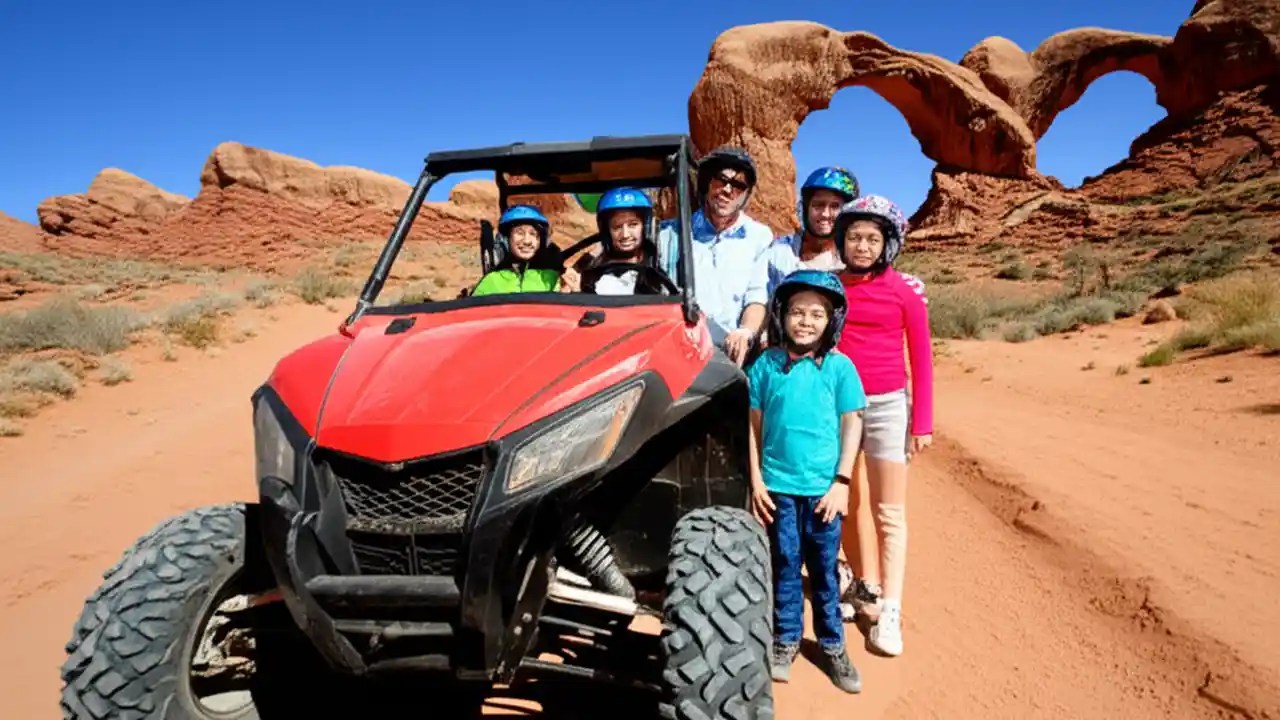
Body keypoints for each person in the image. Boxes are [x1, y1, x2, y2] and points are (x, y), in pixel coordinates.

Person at [747, 268, 866, 694]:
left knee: (824, 571)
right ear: (782, 315)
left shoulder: (839, 367)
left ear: (832, 320)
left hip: (823, 494)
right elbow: (752, 426)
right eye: (797, 312)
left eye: (817, 314)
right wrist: (756, 480)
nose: (806, 321)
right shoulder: (766, 365)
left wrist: (842, 481)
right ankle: (786, 639)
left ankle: (833, 644)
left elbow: (852, 423)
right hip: (778, 489)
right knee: (783, 564)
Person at [830, 194, 934, 658]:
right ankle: (861, 584)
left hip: (889, 406)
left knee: (888, 512)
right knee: (844, 500)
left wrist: (922, 422)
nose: (863, 246)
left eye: (873, 238)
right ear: (842, 240)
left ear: (888, 243)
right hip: (840, 407)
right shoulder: (831, 287)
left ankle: (890, 608)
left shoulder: (905, 291)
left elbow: (922, 358)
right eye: (855, 236)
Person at [656, 145, 772, 364]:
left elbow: (756, 295)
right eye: (721, 180)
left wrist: (746, 332)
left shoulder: (758, 236)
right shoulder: (671, 234)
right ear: (707, 183)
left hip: (730, 354)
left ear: (746, 194)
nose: (727, 190)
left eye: (738, 185)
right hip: (680, 347)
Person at [764, 166, 861, 297]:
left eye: (835, 206)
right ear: (806, 208)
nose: (825, 214)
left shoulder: (852, 262)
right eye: (818, 205)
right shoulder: (779, 251)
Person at [575, 187, 671, 295]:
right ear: (607, 231)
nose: (625, 235)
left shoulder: (658, 269)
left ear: (644, 227)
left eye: (633, 225)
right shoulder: (591, 272)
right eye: (617, 227)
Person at [471, 205, 567, 296]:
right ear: (506, 239)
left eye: (533, 234)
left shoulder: (553, 280)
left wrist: (570, 291)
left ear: (541, 241)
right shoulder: (491, 281)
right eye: (519, 233)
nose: (527, 241)